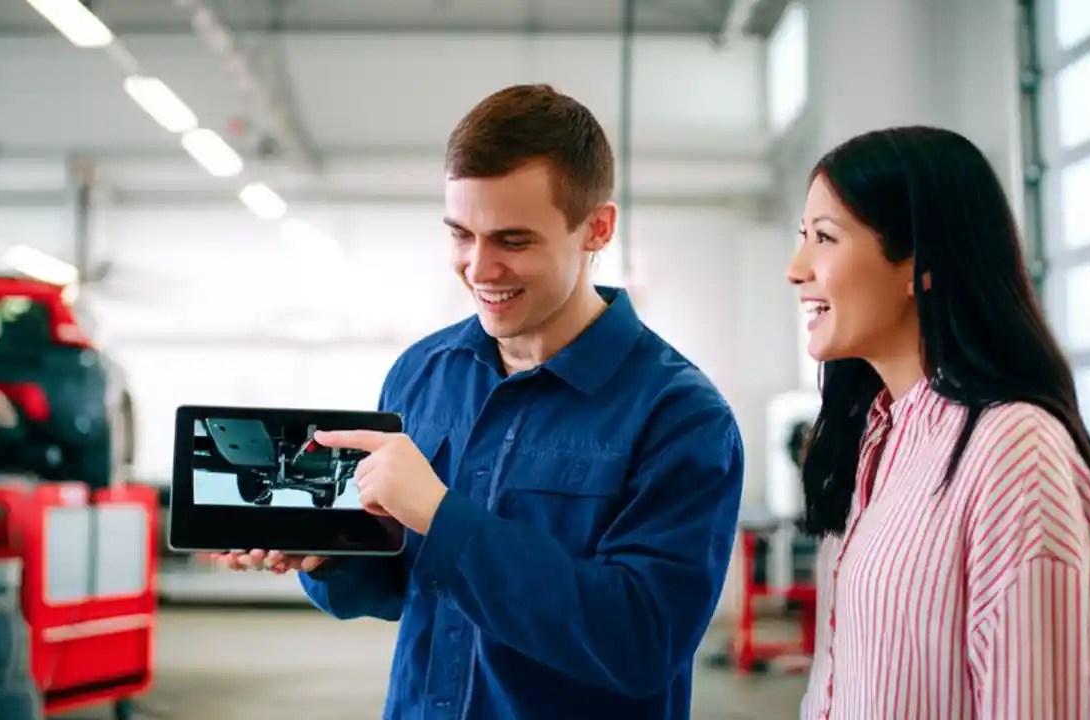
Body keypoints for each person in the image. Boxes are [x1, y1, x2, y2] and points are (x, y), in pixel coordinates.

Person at [216, 84, 745, 719]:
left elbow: (641, 641)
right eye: (461, 234)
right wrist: (331, 555)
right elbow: (406, 590)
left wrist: (442, 517)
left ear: (596, 228)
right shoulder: (422, 374)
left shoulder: (680, 417)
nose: (479, 267)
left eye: (513, 241)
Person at [787, 125, 1090, 720]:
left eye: (825, 238)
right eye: (803, 238)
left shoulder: (1014, 452)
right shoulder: (878, 436)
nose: (797, 269)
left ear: (919, 267)